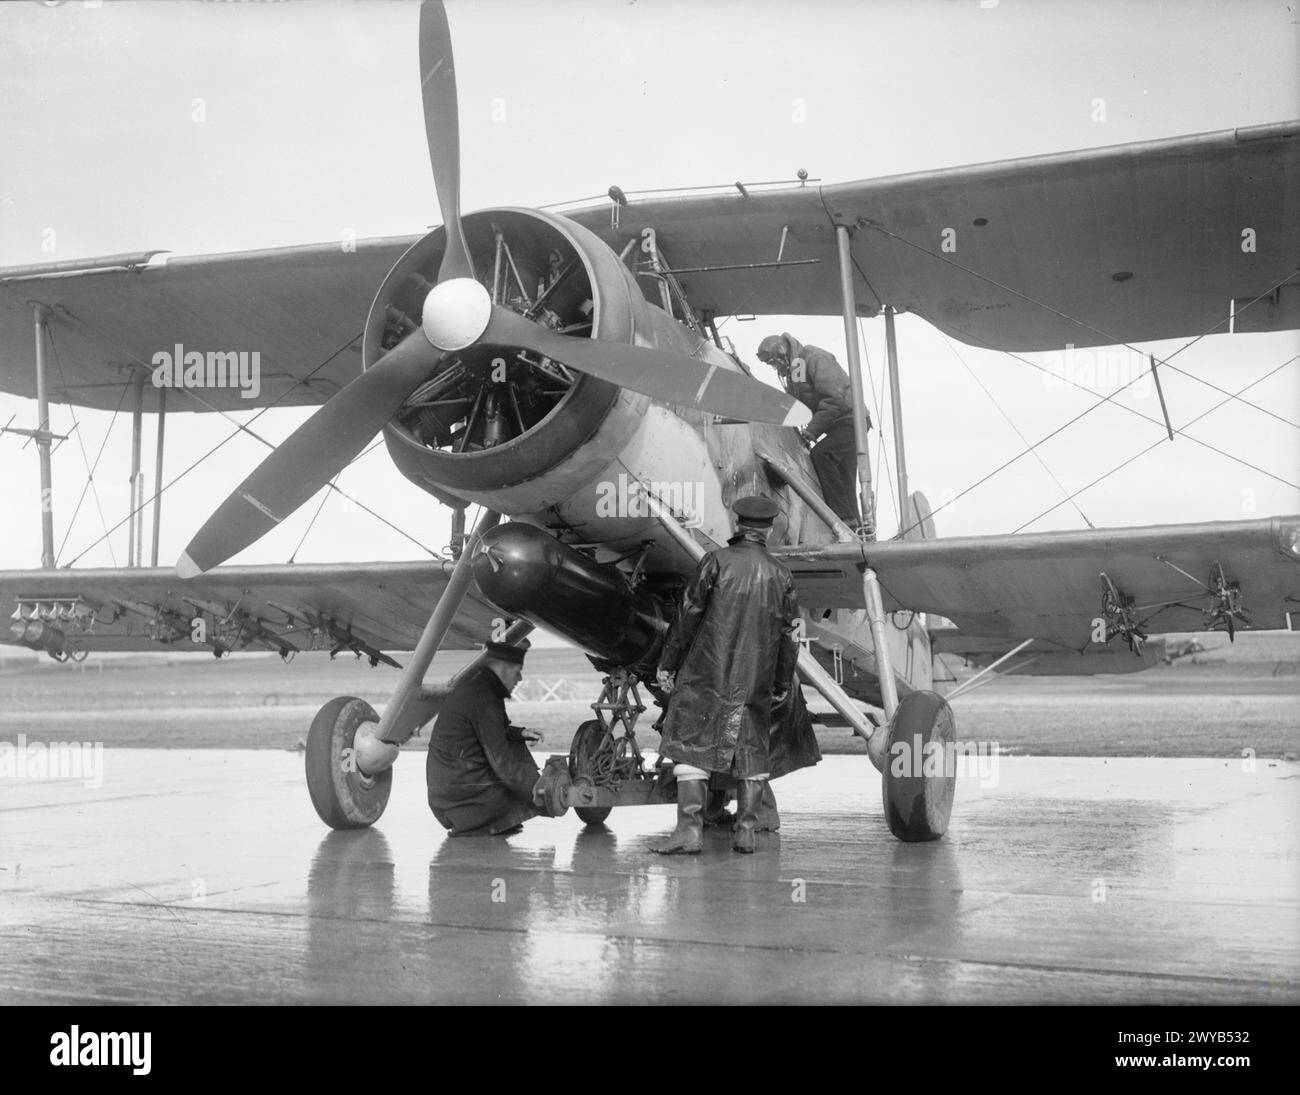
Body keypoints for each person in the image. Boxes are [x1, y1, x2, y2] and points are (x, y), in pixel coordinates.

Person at [652, 496, 808, 855]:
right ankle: (746, 831)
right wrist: (782, 683)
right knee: (752, 750)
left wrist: (668, 662)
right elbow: (790, 635)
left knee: (691, 749)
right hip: (757, 678)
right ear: (768, 529)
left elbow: (686, 615)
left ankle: (689, 833)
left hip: (706, 674)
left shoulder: (715, 562)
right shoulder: (781, 574)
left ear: (737, 525)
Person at [426, 639, 544, 837]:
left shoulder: (479, 686)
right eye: (518, 670)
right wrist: (539, 792)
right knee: (514, 772)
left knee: (515, 746)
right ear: (504, 669)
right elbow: (501, 762)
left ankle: (495, 819)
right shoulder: (484, 698)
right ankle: (486, 822)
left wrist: (519, 733)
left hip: (447, 787)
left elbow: (488, 730)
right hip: (458, 793)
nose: (520, 678)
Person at [756, 332, 868, 525]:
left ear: (783, 353)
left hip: (851, 419)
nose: (776, 368)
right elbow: (799, 402)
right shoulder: (797, 367)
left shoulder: (815, 358)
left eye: (774, 363)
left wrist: (811, 432)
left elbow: (835, 399)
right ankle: (852, 523)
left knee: (821, 455)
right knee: (844, 476)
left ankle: (840, 518)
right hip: (837, 423)